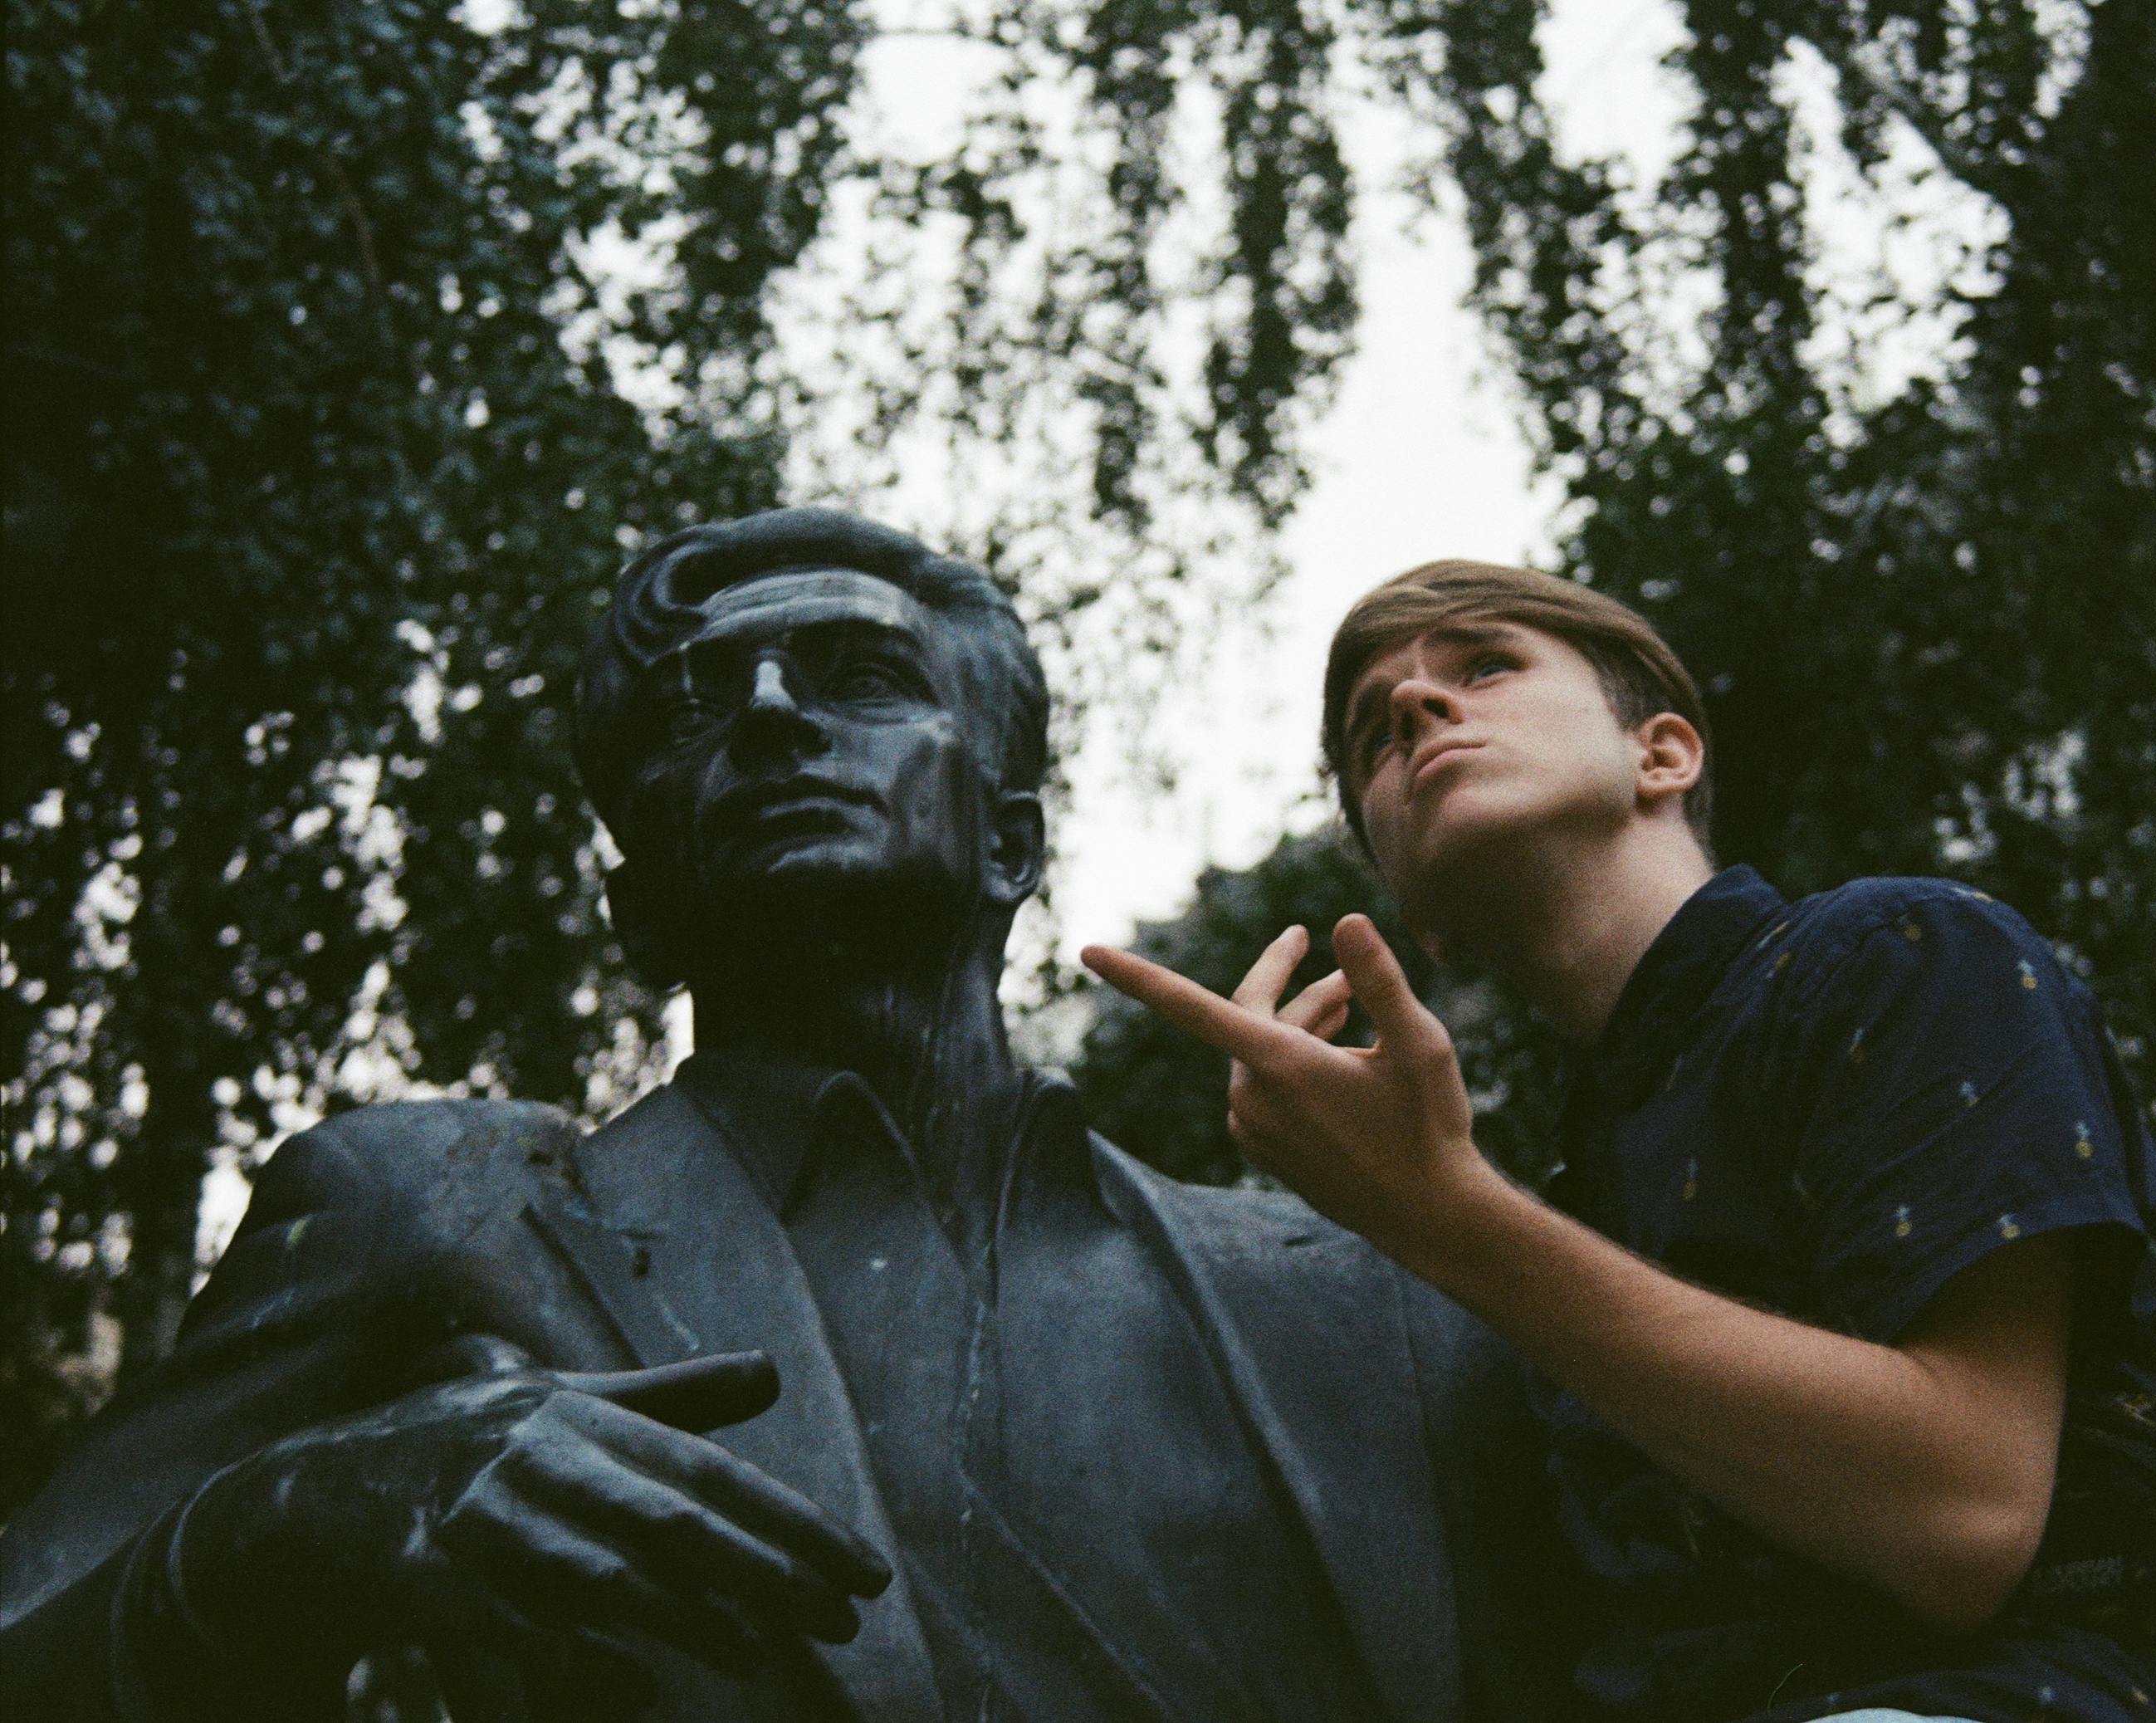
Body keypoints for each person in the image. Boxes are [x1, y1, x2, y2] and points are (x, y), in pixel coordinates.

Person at [0, 515, 1576, 1722]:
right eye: (698, 713)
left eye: (859, 682)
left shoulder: (1367, 1302)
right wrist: (305, 1512)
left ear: (1007, 841)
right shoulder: (436, 1211)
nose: (762, 715)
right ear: (636, 912)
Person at [1083, 558, 2156, 1723]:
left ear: (1658, 751)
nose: (1412, 703)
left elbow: (1962, 1513)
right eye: (1370, 738)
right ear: (1419, 916)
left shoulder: (1899, 957)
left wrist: (1438, 1210)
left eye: (1487, 663)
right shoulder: (1576, 1198)